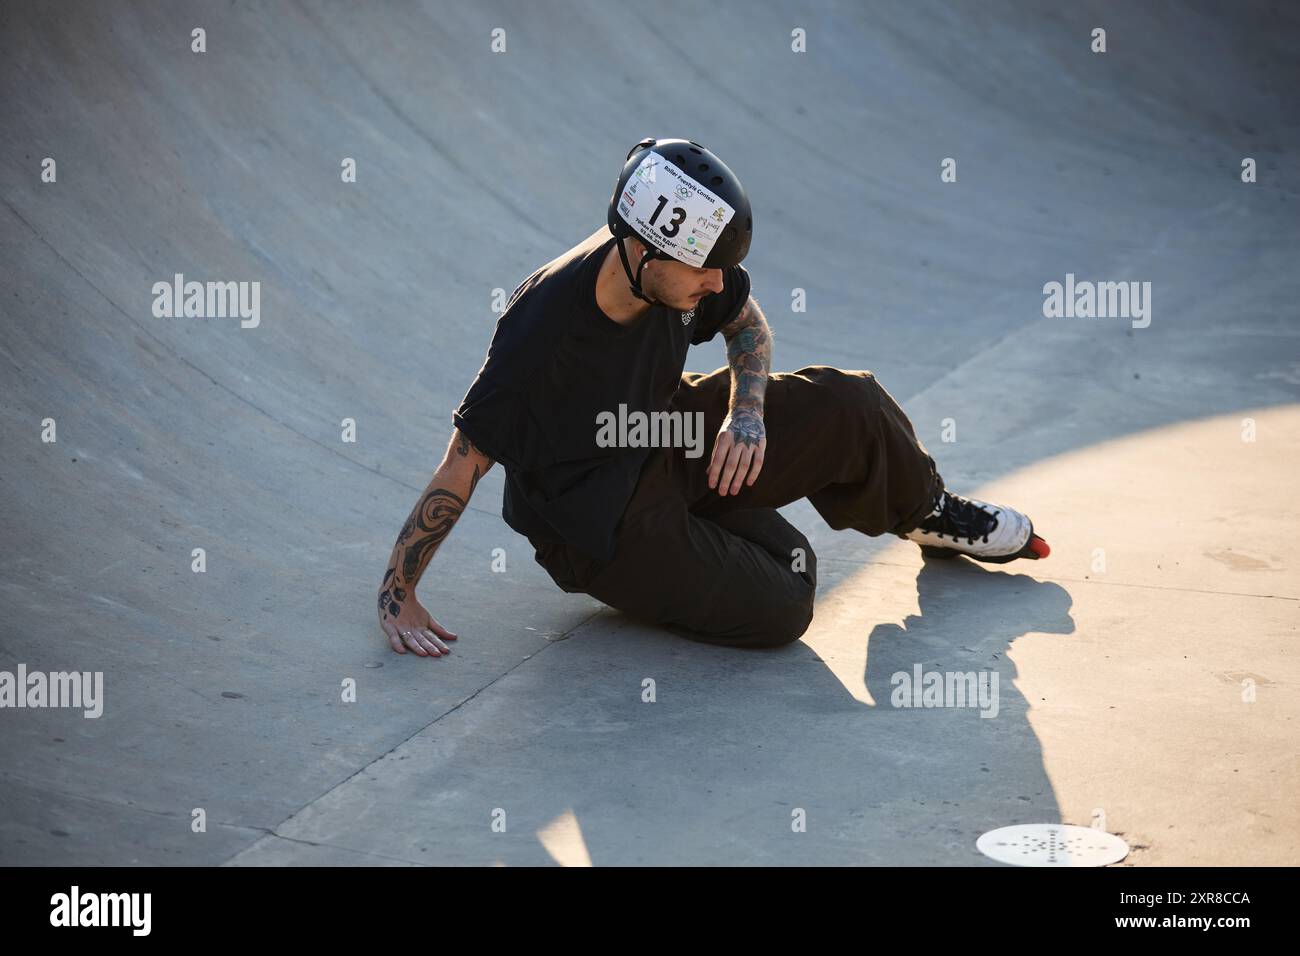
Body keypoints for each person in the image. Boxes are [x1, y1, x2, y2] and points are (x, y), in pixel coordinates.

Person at [376, 137, 1049, 658]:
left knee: (854, 407)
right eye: (706, 273)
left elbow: (747, 323)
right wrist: (397, 594)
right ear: (644, 253)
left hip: (664, 434)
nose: (717, 284)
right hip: (598, 523)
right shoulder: (540, 335)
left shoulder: (681, 264)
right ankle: (685, 545)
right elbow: (460, 465)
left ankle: (925, 510)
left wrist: (746, 414)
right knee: (787, 596)